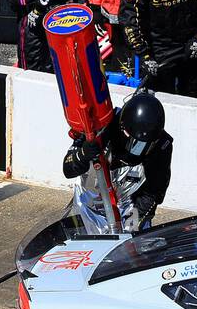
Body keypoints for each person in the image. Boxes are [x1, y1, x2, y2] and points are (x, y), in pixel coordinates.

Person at [62, 91, 173, 227]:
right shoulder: (100, 127)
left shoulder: (162, 147)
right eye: (136, 143)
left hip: (129, 211)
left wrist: (132, 223)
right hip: (86, 206)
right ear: (123, 129)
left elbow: (153, 193)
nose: (140, 150)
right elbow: (68, 170)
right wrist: (83, 153)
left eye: (147, 145)